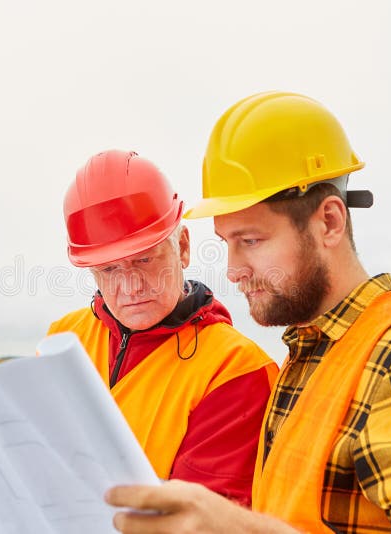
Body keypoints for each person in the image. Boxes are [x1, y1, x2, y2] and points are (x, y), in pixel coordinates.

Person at [105, 93, 391, 532]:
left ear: (328, 222)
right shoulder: (309, 358)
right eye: (227, 243)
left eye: (251, 241)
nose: (233, 271)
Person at [47, 149, 279, 505]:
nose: (130, 286)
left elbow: (198, 522)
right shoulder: (62, 341)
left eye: (144, 258)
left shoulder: (235, 369)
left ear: (182, 247)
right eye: (109, 269)